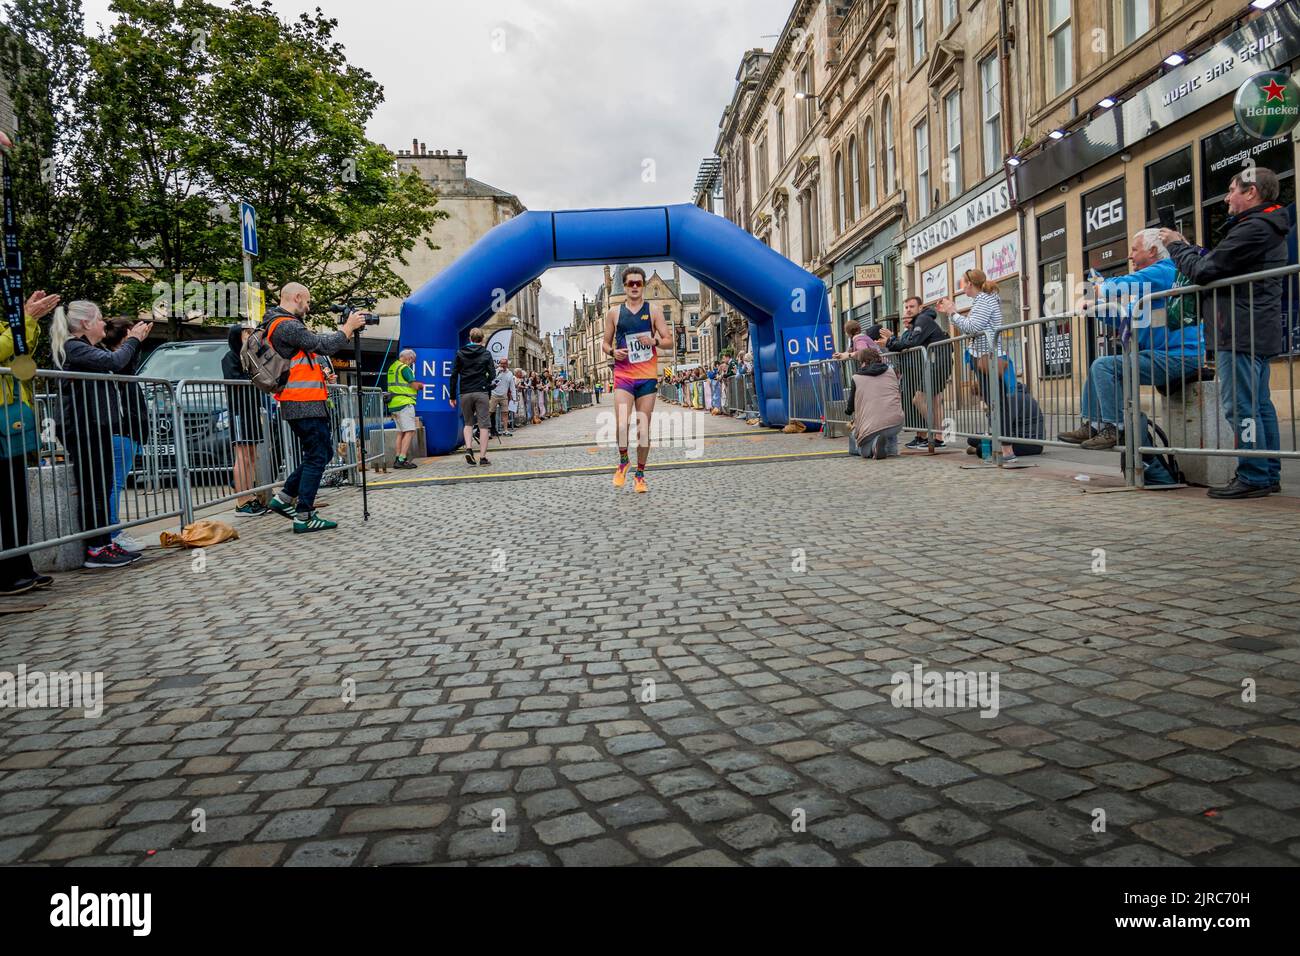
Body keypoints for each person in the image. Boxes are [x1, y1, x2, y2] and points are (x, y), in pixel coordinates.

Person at [1162, 167, 1289, 499]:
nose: (1226, 197)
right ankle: (1265, 471)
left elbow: (1205, 270)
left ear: (1251, 193)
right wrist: (1189, 249)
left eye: (1232, 189)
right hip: (1251, 329)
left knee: (1241, 407)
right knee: (1259, 405)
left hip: (1239, 331)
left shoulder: (1255, 228)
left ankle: (1254, 474)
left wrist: (1177, 247)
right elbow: (1217, 263)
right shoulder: (1264, 227)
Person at [1058, 228, 1203, 451]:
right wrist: (1096, 310)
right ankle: (1093, 424)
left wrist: (1095, 291)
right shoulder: (1151, 285)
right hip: (1162, 355)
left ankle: (1117, 427)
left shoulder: (1165, 269)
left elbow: (1126, 283)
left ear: (1153, 251)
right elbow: (1127, 317)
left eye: (1134, 249)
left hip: (1179, 357)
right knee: (1101, 366)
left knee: (1104, 366)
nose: (1130, 256)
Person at [51, 301, 151, 567]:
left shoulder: (91, 348)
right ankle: (96, 548)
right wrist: (132, 341)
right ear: (86, 323)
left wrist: (135, 345)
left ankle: (105, 541)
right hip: (84, 427)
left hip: (100, 425)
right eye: (99, 320)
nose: (104, 324)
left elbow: (122, 368)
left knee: (102, 484)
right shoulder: (73, 347)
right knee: (93, 487)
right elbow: (114, 360)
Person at [263, 282, 369, 531]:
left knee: (321, 453)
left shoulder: (283, 324)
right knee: (317, 455)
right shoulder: (285, 325)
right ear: (297, 297)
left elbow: (307, 355)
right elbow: (323, 345)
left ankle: (285, 497)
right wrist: (347, 328)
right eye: (308, 302)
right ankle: (304, 515)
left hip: (304, 401)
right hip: (302, 402)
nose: (308, 308)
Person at [1, 290, 61, 595]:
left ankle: (19, 565)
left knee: (16, 502)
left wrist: (28, 319)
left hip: (10, 422)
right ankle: (7, 571)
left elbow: (21, 351)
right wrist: (25, 319)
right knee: (5, 502)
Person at [603, 265, 672, 493]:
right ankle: (624, 460)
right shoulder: (614, 312)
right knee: (622, 423)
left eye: (638, 283)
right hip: (623, 375)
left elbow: (668, 340)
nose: (634, 287)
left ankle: (640, 475)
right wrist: (613, 352)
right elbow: (605, 343)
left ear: (642, 285)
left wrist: (654, 342)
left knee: (643, 429)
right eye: (630, 283)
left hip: (646, 377)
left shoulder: (653, 310)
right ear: (624, 286)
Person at [937, 268, 1015, 461]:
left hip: (986, 356)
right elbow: (971, 330)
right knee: (995, 402)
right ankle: (1003, 448)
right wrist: (953, 315)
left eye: (962, 283)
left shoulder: (984, 300)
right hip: (984, 356)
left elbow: (973, 327)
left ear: (969, 284)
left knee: (997, 403)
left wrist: (952, 312)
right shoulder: (984, 300)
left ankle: (1007, 450)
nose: (961, 287)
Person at [881, 296, 951, 448]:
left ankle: (933, 434)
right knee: (935, 401)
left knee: (918, 399)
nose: (908, 310)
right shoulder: (921, 321)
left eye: (912, 307)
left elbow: (912, 343)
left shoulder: (922, 320)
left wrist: (889, 342)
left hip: (937, 362)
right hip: (936, 361)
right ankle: (938, 438)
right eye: (906, 307)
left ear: (920, 308)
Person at [222, 323, 270, 515]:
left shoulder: (250, 355)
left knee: (251, 455)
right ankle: (242, 501)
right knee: (242, 456)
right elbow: (238, 380)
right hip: (239, 411)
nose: (250, 337)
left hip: (251, 409)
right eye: (246, 334)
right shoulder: (230, 357)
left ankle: (249, 496)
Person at [846, 346, 904, 459]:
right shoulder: (890, 371)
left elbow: (851, 405)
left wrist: (848, 411)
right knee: (888, 417)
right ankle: (891, 450)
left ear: (863, 362)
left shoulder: (856, 377)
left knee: (862, 450)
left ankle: (873, 446)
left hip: (872, 428)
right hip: (896, 423)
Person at [449, 326, 494, 466]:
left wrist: (452, 396)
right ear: (482, 339)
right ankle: (483, 457)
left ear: (470, 338)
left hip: (465, 392)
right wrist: (486, 385)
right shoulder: (486, 354)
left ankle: (468, 448)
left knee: (468, 423)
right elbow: (493, 375)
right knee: (484, 425)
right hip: (481, 391)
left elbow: (454, 375)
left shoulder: (460, 353)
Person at [386, 348, 422, 469]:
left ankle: (398, 458)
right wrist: (421, 385)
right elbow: (413, 385)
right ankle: (402, 459)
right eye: (412, 361)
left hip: (393, 404)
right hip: (405, 403)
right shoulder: (405, 368)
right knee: (410, 431)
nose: (412, 363)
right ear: (409, 358)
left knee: (400, 432)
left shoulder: (392, 367)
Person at [489, 358, 515, 438]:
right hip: (494, 394)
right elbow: (491, 382)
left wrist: (514, 397)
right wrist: (498, 373)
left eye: (505, 363)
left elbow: (512, 386)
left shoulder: (510, 373)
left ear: (507, 364)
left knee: (505, 412)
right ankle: (487, 431)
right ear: (499, 364)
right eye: (502, 363)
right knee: (490, 412)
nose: (503, 365)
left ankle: (505, 430)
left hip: (504, 395)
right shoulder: (496, 371)